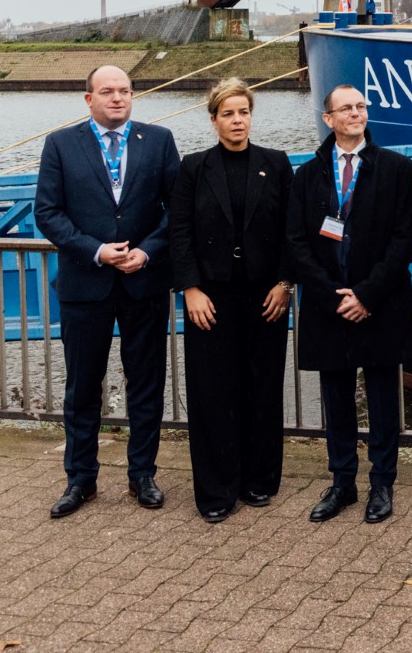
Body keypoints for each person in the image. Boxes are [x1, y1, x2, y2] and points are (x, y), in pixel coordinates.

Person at [35, 64, 181, 518]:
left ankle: (143, 476)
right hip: (86, 284)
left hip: (143, 283)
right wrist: (97, 251)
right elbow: (48, 212)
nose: (117, 98)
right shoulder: (61, 144)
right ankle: (80, 479)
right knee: (82, 387)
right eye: (107, 91)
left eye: (125, 90)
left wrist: (148, 251)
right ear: (89, 99)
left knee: (146, 384)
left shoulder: (159, 141)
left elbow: (177, 208)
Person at [285, 84, 412, 526]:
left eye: (361, 106)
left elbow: (403, 239)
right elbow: (296, 242)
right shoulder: (308, 174)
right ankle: (342, 482)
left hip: (379, 303)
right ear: (329, 119)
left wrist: (365, 294)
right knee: (337, 399)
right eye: (346, 108)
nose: (356, 113)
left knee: (382, 400)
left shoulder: (396, 168)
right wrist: (332, 295)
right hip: (329, 306)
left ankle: (382, 483)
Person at [169, 79, 296, 522]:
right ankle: (217, 490)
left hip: (266, 296)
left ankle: (259, 480)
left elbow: (291, 230)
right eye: (228, 113)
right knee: (212, 392)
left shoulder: (276, 163)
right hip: (211, 297)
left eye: (243, 112)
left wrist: (285, 283)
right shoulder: (193, 168)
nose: (237, 120)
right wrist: (190, 288)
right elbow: (180, 231)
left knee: (262, 387)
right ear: (214, 120)